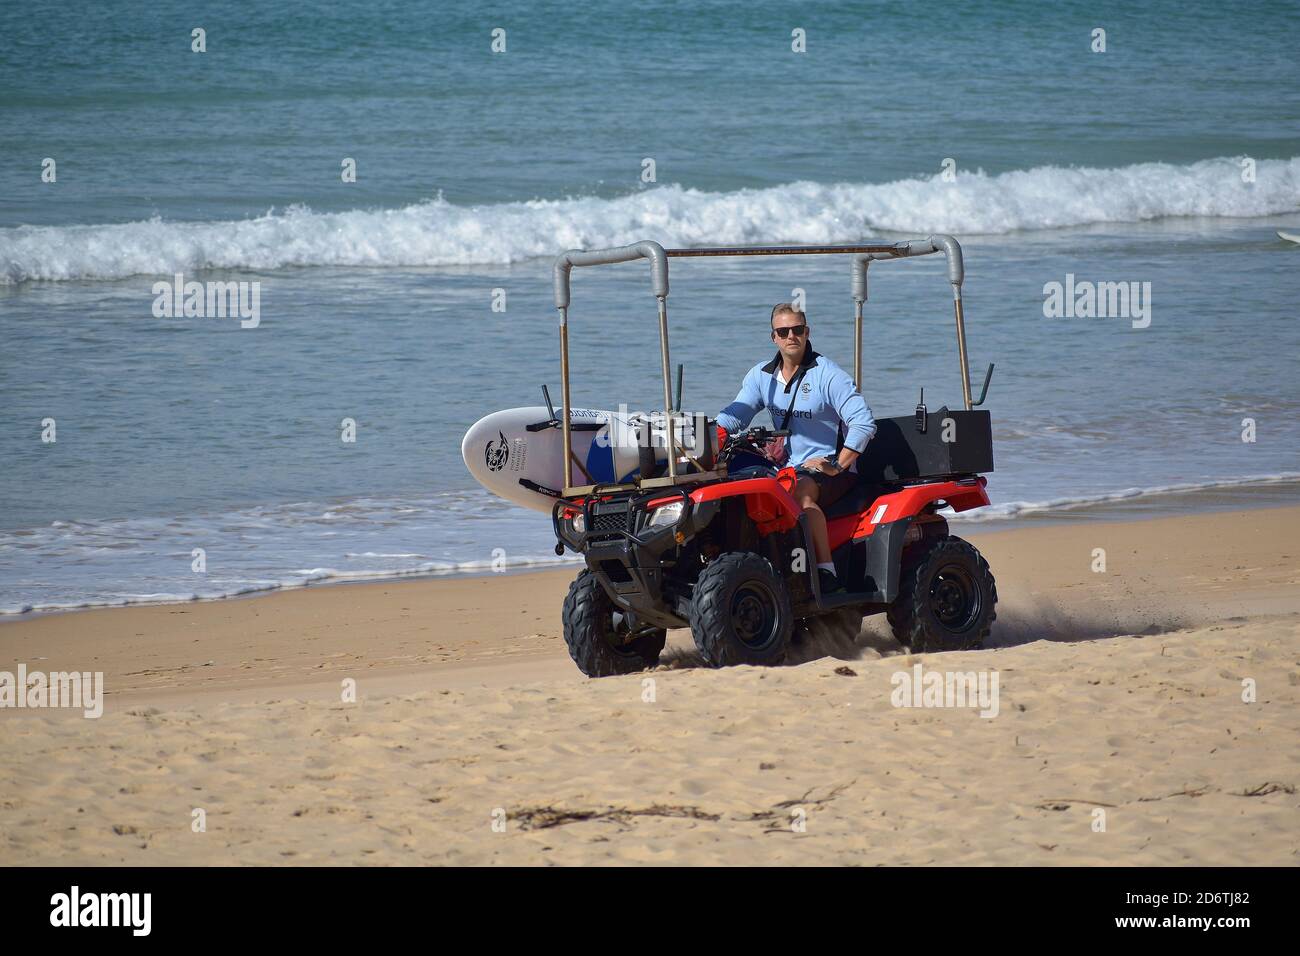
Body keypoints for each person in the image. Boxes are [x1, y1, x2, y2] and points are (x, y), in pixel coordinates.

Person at [716, 302, 876, 594]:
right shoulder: (761, 376)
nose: (791, 336)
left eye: (797, 330)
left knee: (799, 495)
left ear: (807, 332)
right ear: (773, 337)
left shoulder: (828, 375)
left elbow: (863, 423)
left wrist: (838, 464)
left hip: (828, 468)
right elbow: (734, 416)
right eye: (783, 331)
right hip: (788, 467)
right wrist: (705, 432)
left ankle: (826, 573)